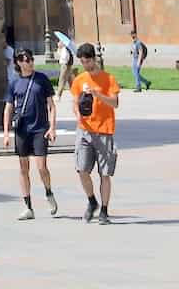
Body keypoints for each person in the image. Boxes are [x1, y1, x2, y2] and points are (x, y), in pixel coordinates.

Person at [2, 47, 58, 221]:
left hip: (40, 128)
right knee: (23, 168)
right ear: (19, 62)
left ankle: (48, 192)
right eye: (25, 60)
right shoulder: (15, 83)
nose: (29, 62)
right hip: (22, 130)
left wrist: (52, 127)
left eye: (31, 59)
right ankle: (28, 207)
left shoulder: (42, 79)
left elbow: (51, 106)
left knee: (41, 167)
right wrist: (6, 133)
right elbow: (8, 108)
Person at [71, 42, 121, 224]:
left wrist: (97, 94)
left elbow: (115, 103)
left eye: (87, 61)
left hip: (104, 130)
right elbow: (75, 102)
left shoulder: (108, 79)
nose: (85, 65)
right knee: (82, 169)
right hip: (84, 131)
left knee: (105, 173)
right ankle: (92, 201)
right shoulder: (79, 80)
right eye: (82, 62)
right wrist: (77, 115)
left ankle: (105, 211)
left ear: (93, 59)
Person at [54, 38, 74, 103]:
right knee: (71, 81)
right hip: (66, 66)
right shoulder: (62, 49)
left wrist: (60, 49)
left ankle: (58, 96)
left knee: (61, 80)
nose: (58, 43)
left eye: (60, 41)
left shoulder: (65, 50)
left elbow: (64, 58)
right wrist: (59, 49)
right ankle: (75, 94)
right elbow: (58, 55)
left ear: (63, 43)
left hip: (65, 66)